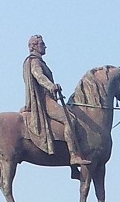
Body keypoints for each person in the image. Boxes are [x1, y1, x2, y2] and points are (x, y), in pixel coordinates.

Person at [21, 34, 89, 166]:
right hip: (45, 101)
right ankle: (73, 156)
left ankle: (73, 166)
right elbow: (39, 76)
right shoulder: (34, 61)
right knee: (70, 120)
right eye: (42, 44)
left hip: (50, 99)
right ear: (34, 46)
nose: (45, 46)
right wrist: (51, 86)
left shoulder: (39, 61)